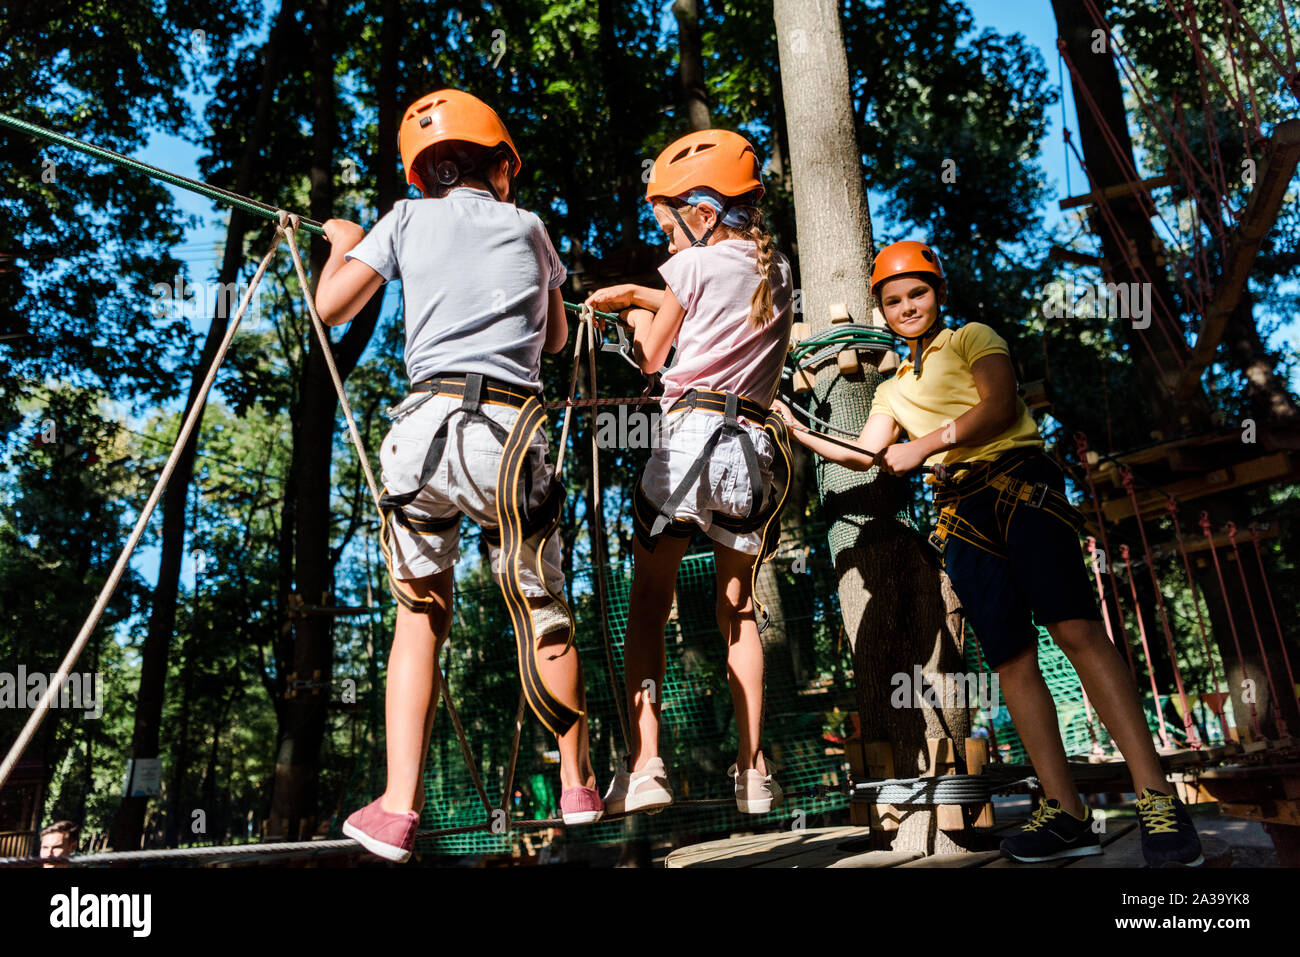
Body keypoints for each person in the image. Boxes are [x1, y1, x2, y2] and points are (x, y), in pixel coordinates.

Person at [775, 240, 1204, 866]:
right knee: (1010, 662)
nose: (907, 306)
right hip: (962, 515)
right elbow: (866, 454)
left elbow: (1000, 404)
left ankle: (1158, 802)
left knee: (1077, 631)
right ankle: (1065, 813)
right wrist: (799, 429)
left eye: (918, 292)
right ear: (883, 312)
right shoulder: (891, 391)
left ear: (939, 294)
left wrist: (926, 446)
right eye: (893, 301)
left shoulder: (973, 336)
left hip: (1021, 487)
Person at [316, 89, 600, 862]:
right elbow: (556, 340)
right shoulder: (532, 228)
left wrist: (343, 242)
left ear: (421, 174)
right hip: (511, 435)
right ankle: (577, 782)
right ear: (502, 164)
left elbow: (331, 307)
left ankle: (397, 808)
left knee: (420, 616)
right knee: (543, 605)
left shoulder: (403, 220)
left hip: (423, 435)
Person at [584, 129, 794, 816]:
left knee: (649, 600)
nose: (665, 242)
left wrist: (632, 312)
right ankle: (753, 768)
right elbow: (715, 324)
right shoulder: (777, 269)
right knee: (738, 609)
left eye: (668, 227)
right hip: (751, 454)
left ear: (701, 215)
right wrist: (648, 292)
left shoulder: (690, 269)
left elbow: (651, 355)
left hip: (687, 442)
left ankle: (646, 765)